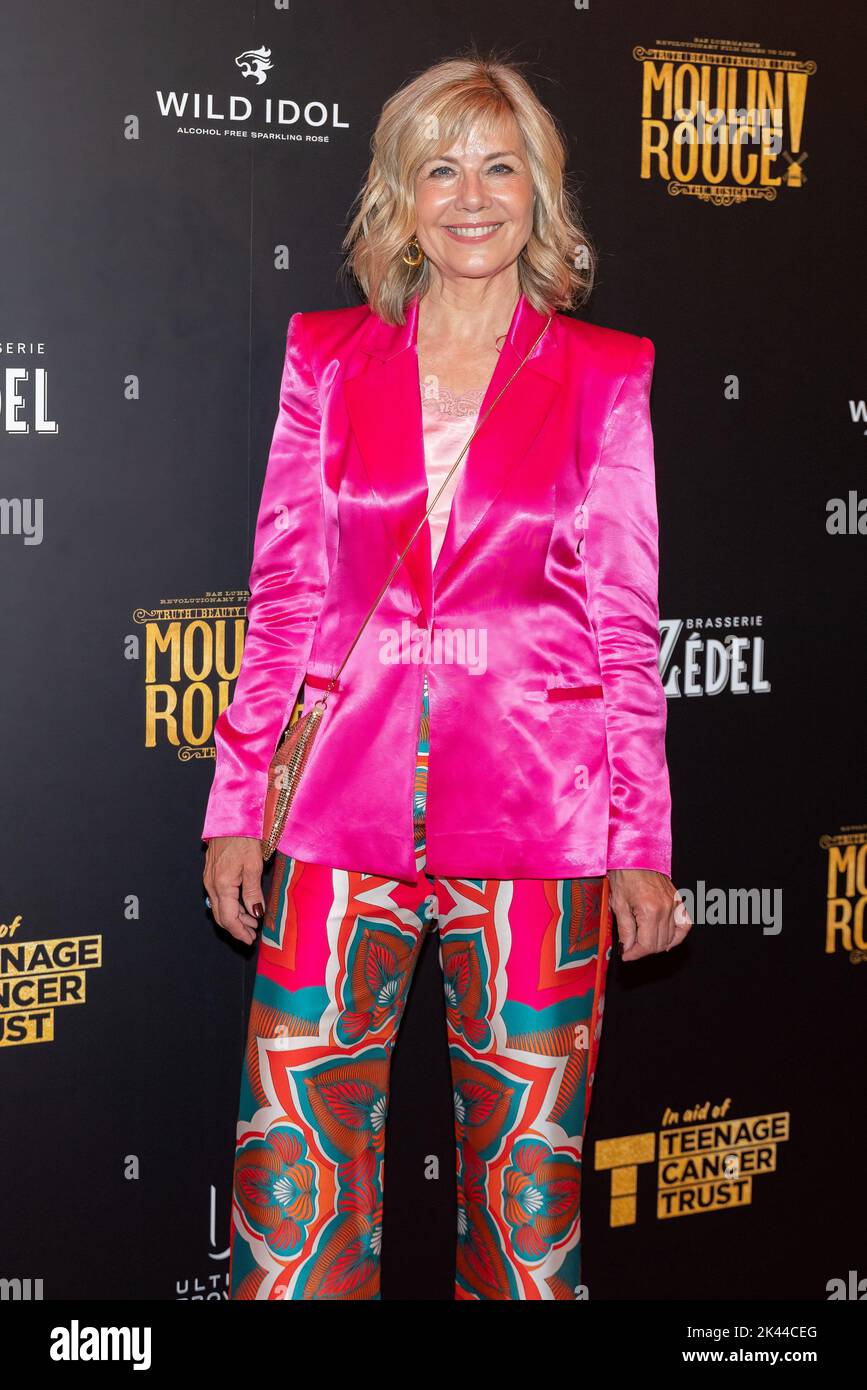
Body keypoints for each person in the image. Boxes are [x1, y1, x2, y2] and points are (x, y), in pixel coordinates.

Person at [202, 50, 692, 1301]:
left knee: (527, 1210)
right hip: (337, 817)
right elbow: (284, 601)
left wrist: (640, 838)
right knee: (295, 1194)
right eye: (440, 168)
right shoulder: (326, 357)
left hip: (540, 822)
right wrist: (235, 809)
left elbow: (625, 629)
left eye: (500, 166)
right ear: (400, 198)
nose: (472, 196)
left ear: (541, 191)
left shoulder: (607, 375)